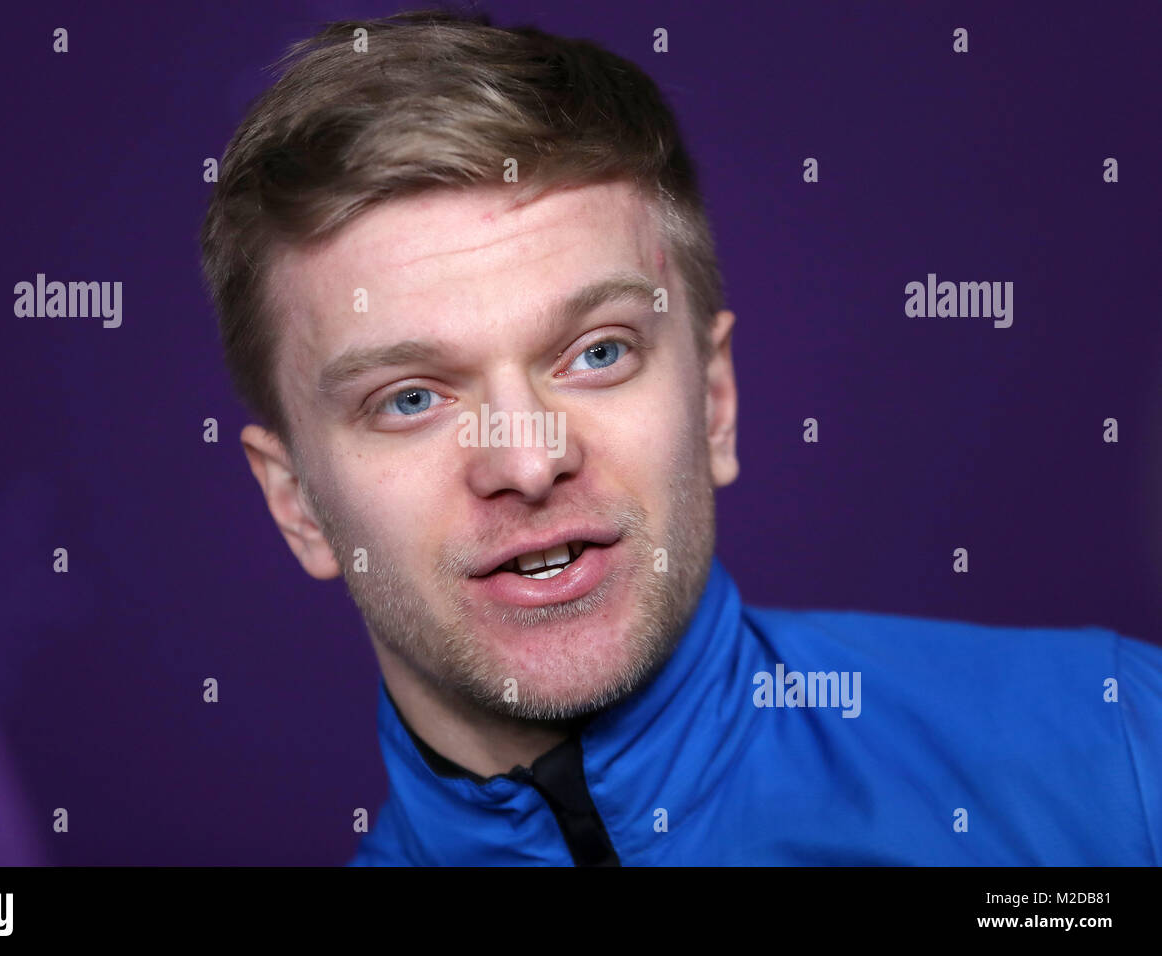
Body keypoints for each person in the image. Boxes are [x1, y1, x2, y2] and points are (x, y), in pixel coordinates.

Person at [198, 9, 1162, 865]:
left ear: (717, 402)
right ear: (298, 506)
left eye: (598, 352)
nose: (529, 461)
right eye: (410, 399)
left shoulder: (1116, 750)